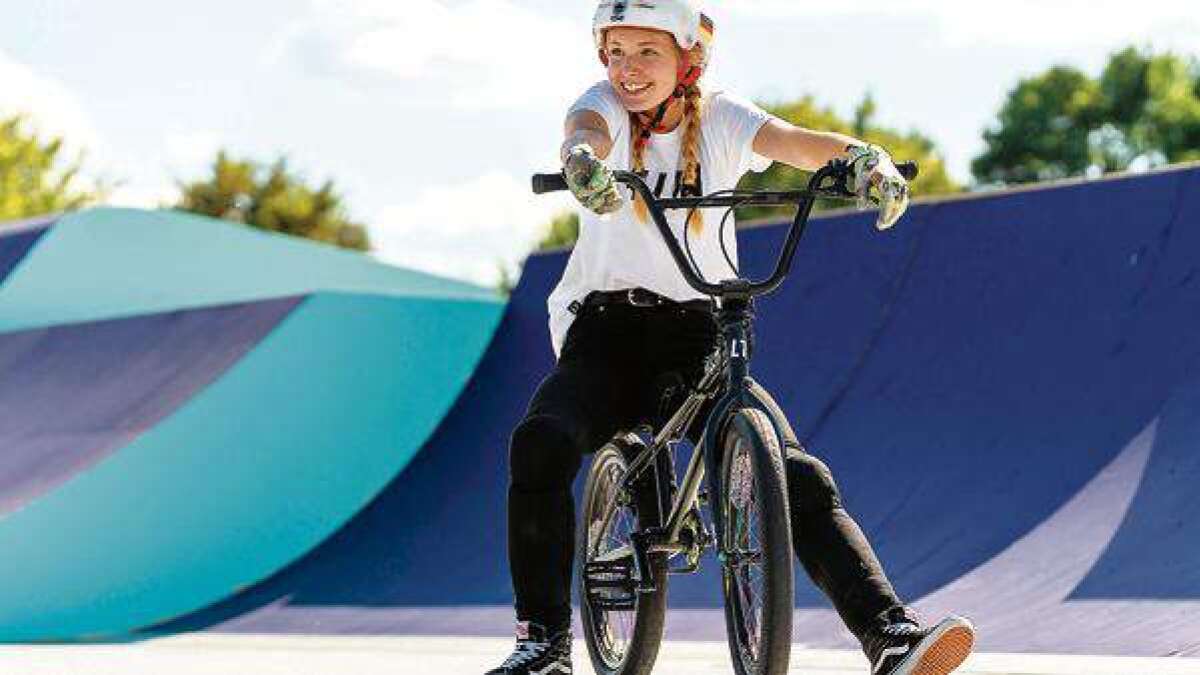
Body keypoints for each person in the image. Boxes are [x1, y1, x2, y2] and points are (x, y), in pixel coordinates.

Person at [488, 2, 976, 674]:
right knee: (539, 443)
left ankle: (890, 635)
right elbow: (585, 132)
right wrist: (580, 164)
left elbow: (796, 142)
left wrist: (866, 162)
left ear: (686, 60)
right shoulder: (602, 104)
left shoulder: (718, 117)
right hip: (606, 334)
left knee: (795, 472)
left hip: (695, 335)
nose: (628, 69)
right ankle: (543, 642)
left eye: (647, 53)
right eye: (616, 51)